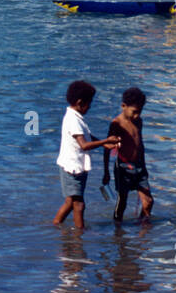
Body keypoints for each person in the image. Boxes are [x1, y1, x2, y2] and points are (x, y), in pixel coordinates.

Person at [52, 81, 119, 231]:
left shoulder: (75, 117)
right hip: (72, 168)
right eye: (89, 103)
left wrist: (103, 144)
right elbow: (84, 145)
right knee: (79, 204)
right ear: (80, 103)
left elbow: (87, 137)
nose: (90, 107)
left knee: (70, 202)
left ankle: (56, 225)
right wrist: (106, 140)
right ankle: (79, 235)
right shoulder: (73, 120)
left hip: (76, 166)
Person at [103, 86, 153, 222]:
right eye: (134, 112)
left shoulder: (139, 121)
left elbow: (140, 144)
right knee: (122, 202)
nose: (137, 115)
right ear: (123, 106)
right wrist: (106, 172)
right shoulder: (116, 124)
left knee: (148, 202)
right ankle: (118, 233)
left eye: (140, 112)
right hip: (123, 168)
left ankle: (142, 232)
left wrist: (144, 166)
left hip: (139, 166)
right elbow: (107, 147)